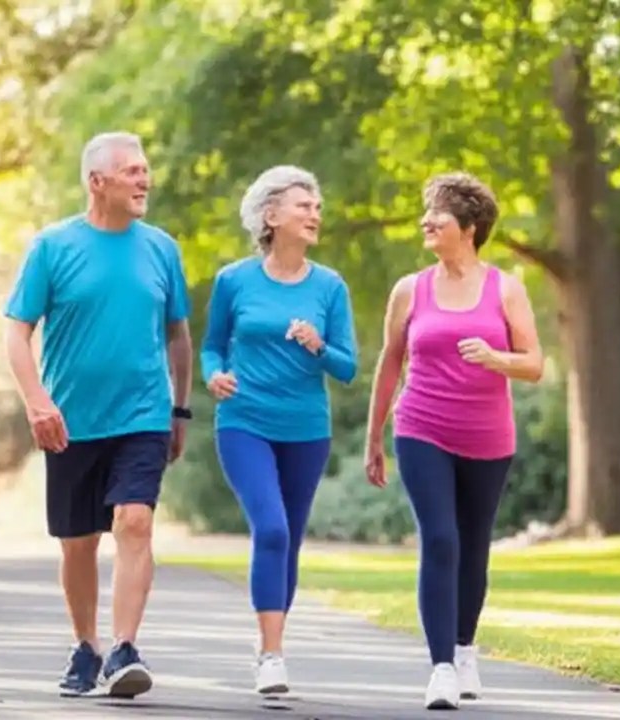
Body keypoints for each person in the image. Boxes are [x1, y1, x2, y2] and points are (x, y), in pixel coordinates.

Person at [3, 131, 193, 700]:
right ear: (97, 181)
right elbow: (16, 332)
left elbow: (178, 335)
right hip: (71, 422)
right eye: (132, 171)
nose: (144, 179)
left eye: (145, 169)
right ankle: (86, 646)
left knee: (134, 521)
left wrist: (179, 409)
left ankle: (125, 647)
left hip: (143, 415)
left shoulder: (161, 249)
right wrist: (37, 402)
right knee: (78, 542)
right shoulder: (52, 247)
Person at [363, 172, 544, 710]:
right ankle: (441, 666)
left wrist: (496, 358)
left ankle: (465, 649)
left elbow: (535, 363)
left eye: (436, 215)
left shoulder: (505, 289)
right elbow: (390, 362)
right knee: (440, 539)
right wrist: (375, 436)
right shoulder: (410, 289)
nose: (426, 221)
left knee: (474, 545)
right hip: (421, 427)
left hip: (488, 437)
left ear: (468, 228)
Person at [200, 165, 358, 695]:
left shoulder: (330, 286)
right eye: (303, 206)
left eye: (317, 207)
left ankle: (271, 640)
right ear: (271, 216)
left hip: (306, 429)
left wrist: (318, 344)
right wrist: (214, 375)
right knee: (271, 529)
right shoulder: (234, 281)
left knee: (288, 540)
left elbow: (347, 368)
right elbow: (212, 347)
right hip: (244, 421)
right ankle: (271, 655)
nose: (315, 214)